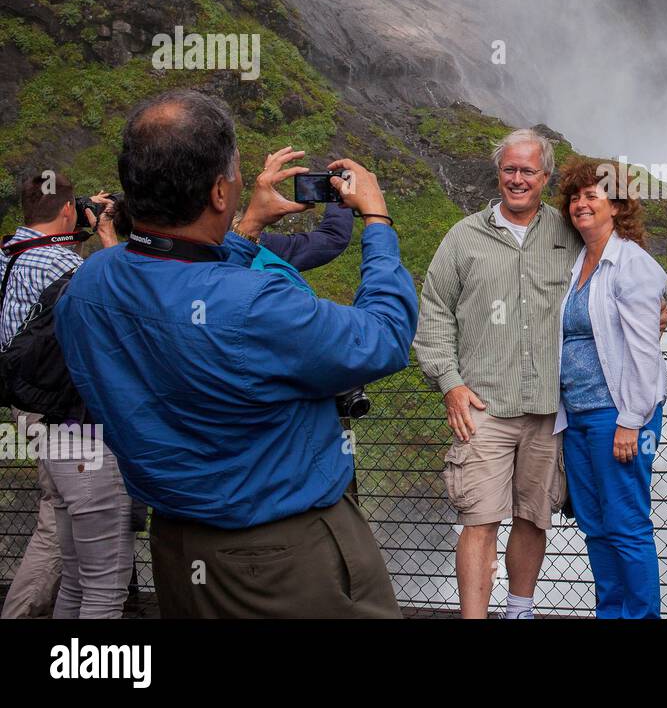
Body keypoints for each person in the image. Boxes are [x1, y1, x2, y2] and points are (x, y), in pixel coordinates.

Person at [55, 89, 417, 618]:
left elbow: (178, 278)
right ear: (219, 192)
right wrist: (378, 220)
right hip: (285, 556)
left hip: (179, 549)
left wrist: (246, 229)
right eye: (236, 175)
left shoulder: (88, 284)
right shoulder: (255, 307)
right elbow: (383, 335)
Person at [414, 129, 667, 619]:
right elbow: (435, 312)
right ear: (498, 173)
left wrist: (663, 307)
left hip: (565, 412)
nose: (517, 179)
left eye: (528, 170)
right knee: (487, 518)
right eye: (509, 169)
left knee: (546, 517)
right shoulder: (464, 237)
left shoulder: (566, 233)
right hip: (492, 407)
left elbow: (634, 277)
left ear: (543, 176)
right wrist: (449, 382)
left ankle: (521, 609)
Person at [1, 175, 119, 618]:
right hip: (55, 407)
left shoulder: (10, 250)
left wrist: (78, 221)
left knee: (63, 516)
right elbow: (120, 288)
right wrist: (104, 232)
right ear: (68, 210)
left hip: (24, 396)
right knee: (58, 523)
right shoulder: (62, 266)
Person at [554, 158, 667, 619]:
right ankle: (611, 613)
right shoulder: (578, 261)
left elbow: (645, 351)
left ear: (617, 205)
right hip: (577, 415)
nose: (581, 203)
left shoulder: (632, 264)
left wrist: (630, 420)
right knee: (596, 527)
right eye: (575, 197)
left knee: (626, 524)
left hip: (617, 415)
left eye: (592, 195)